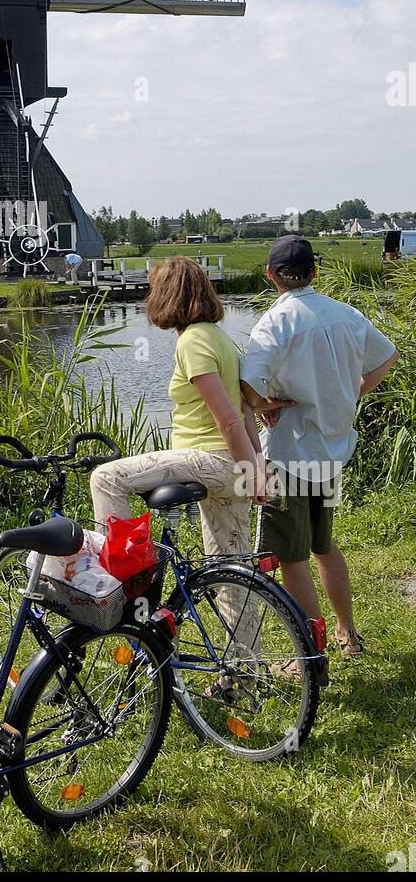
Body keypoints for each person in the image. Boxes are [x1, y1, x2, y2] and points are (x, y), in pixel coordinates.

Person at [240, 236, 398, 657]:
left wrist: (262, 405)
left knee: (290, 557)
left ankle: (310, 651)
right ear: (315, 271)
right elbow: (388, 355)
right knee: (324, 545)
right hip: (331, 451)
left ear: (270, 273)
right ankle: (347, 633)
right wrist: (354, 390)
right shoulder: (345, 313)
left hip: (289, 450)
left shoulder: (274, 322)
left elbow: (245, 385)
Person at [91, 257, 267, 621]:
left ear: (167, 296)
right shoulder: (222, 338)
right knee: (231, 575)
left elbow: (229, 420)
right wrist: (256, 464)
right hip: (231, 468)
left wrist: (253, 469)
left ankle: (119, 588)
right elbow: (246, 409)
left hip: (211, 461)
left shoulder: (193, 342)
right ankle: (244, 671)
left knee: (105, 478)